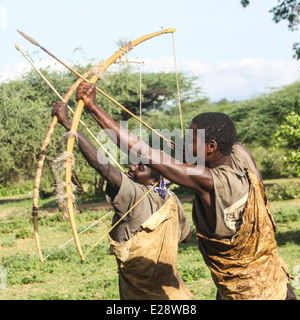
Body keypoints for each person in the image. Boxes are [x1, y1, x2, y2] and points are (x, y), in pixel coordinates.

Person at [77, 81, 297, 300]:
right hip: (276, 281)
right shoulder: (240, 154)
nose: (185, 144)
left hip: (247, 294)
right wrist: (188, 154)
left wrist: (93, 107)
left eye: (191, 140)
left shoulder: (210, 182)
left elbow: (144, 152)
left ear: (211, 147)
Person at [51, 101, 193, 300]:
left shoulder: (136, 194)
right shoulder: (171, 199)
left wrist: (68, 123)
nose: (132, 167)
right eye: (135, 164)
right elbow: (185, 237)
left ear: (154, 180)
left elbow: (103, 167)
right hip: (175, 295)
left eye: (140, 168)